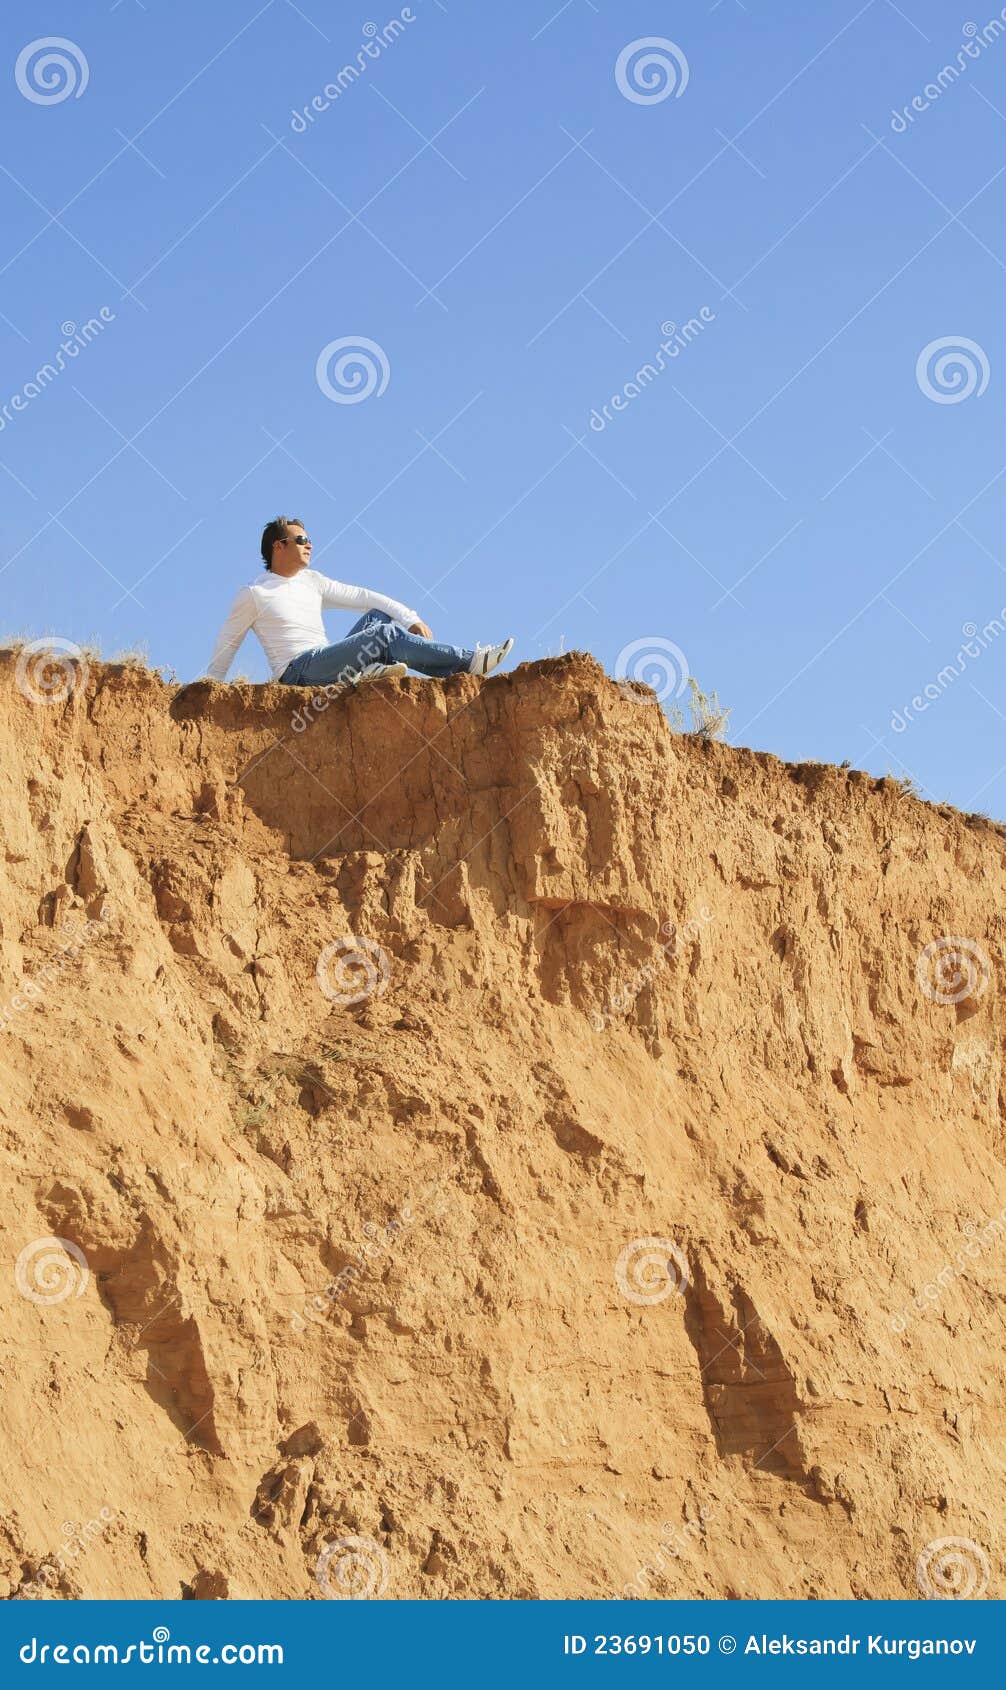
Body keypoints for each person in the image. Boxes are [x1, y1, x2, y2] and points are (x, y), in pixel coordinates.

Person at [204, 516, 513, 689]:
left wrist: (409, 617)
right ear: (278, 546)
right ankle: (468, 663)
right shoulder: (255, 592)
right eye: (300, 540)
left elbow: (363, 597)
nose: (309, 544)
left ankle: (366, 670)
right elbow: (228, 641)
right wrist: (211, 687)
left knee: (378, 617)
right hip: (297, 672)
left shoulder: (313, 581)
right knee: (382, 635)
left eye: (309, 539)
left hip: (325, 662)